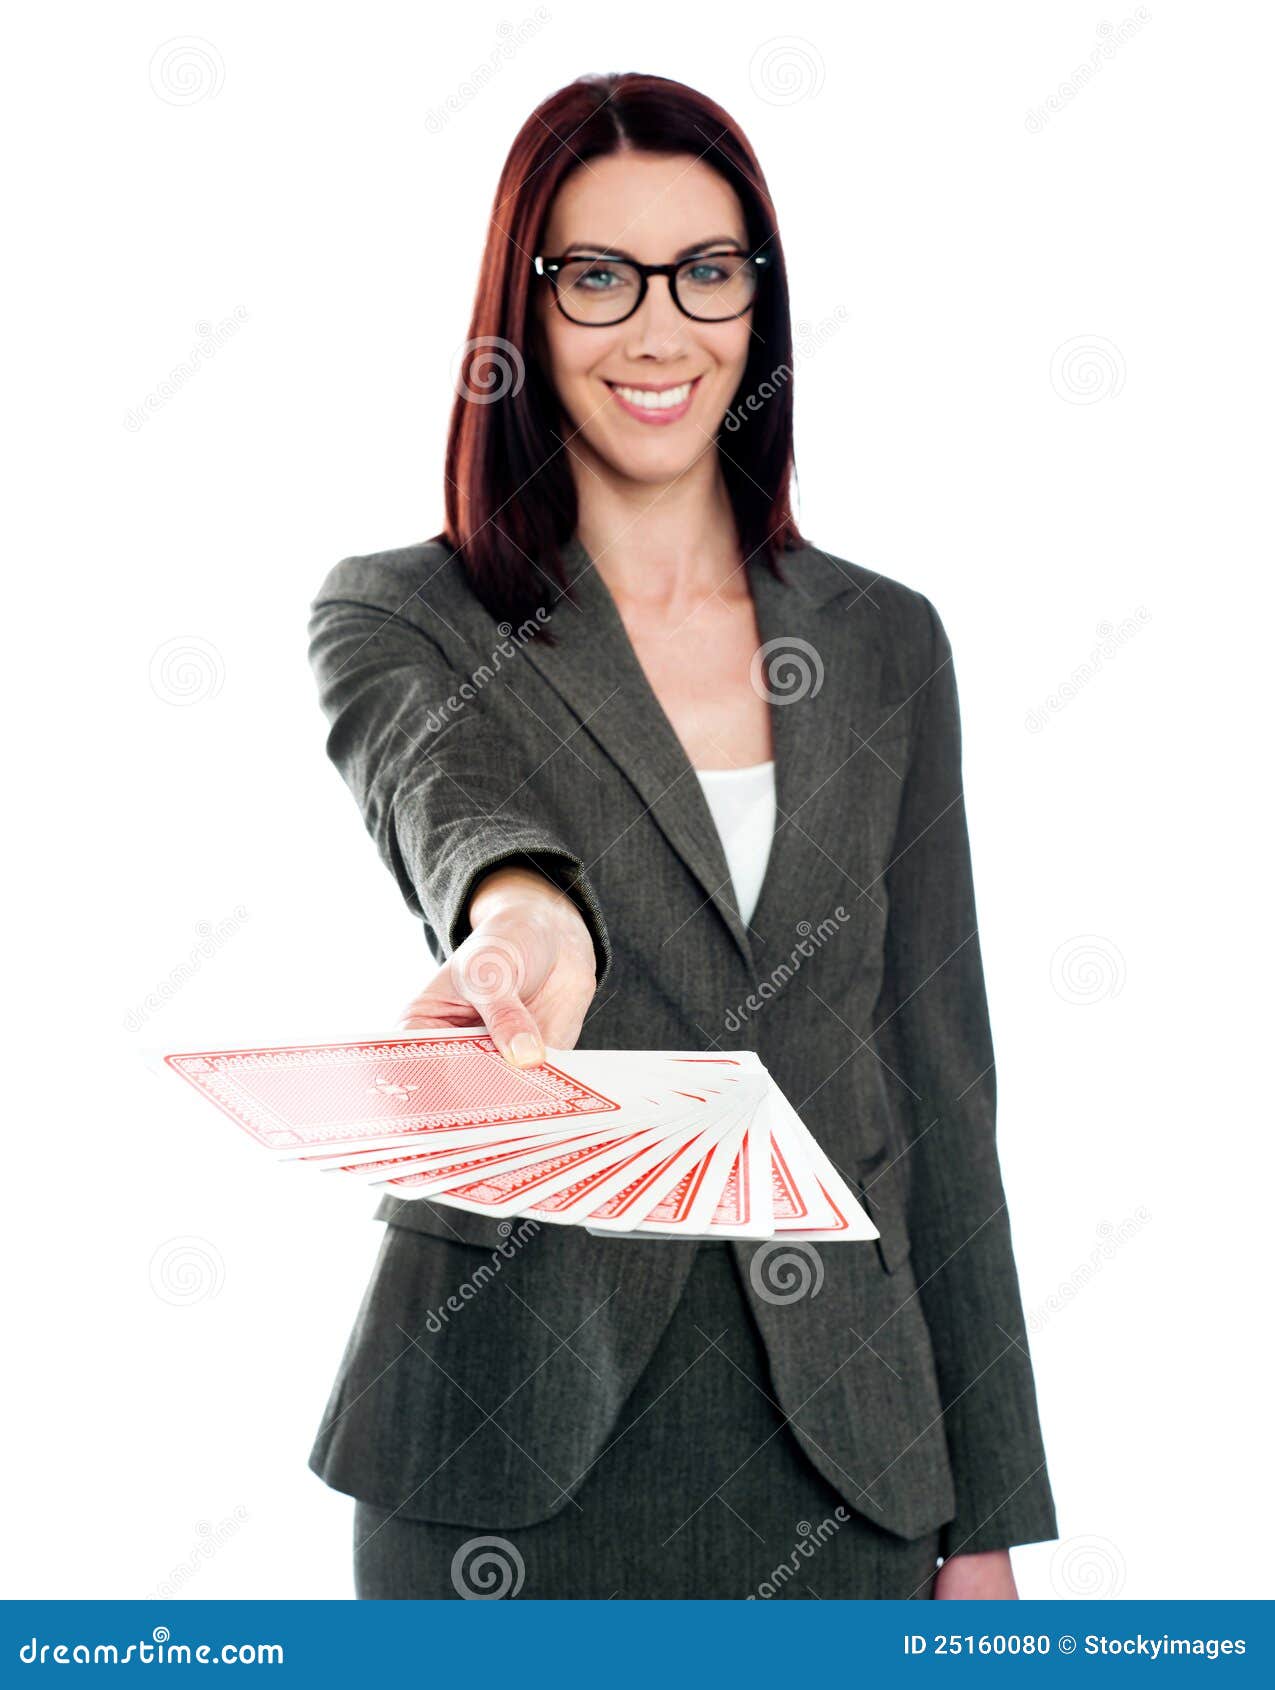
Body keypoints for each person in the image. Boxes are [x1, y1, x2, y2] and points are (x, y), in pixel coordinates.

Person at [305, 70, 1059, 1600]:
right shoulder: (407, 614)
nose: (660, 331)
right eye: (599, 277)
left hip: (847, 1450)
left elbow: (939, 1079)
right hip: (506, 1442)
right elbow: (450, 800)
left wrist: (986, 1513)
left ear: (758, 303)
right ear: (526, 309)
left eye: (707, 271)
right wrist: (527, 922)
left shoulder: (885, 643)